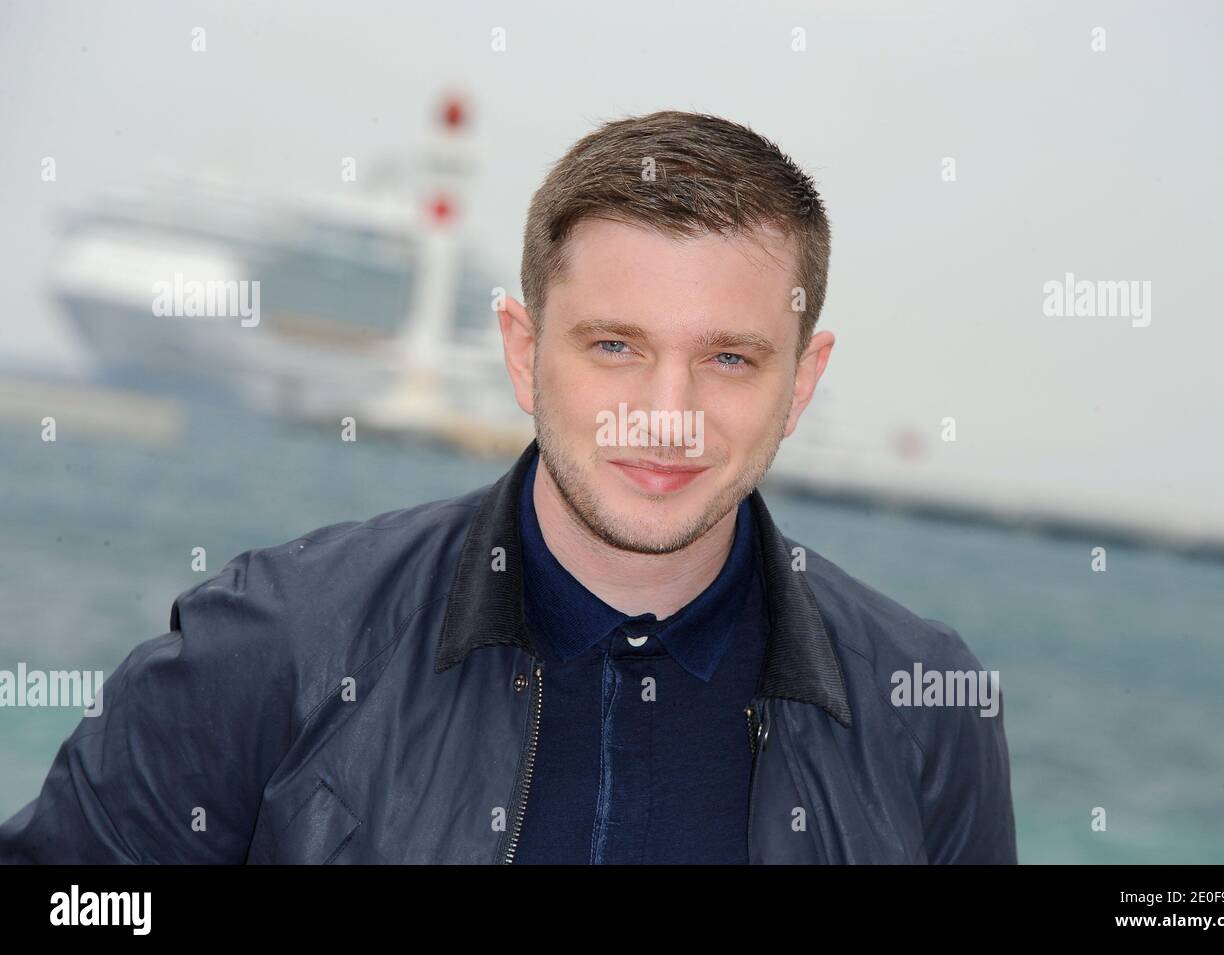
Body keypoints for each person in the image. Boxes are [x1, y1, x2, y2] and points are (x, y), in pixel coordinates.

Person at [0, 110, 1016, 863]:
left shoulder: (923, 708)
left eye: (731, 359)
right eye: (614, 345)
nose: (665, 411)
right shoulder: (271, 643)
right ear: (523, 353)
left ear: (804, 380)